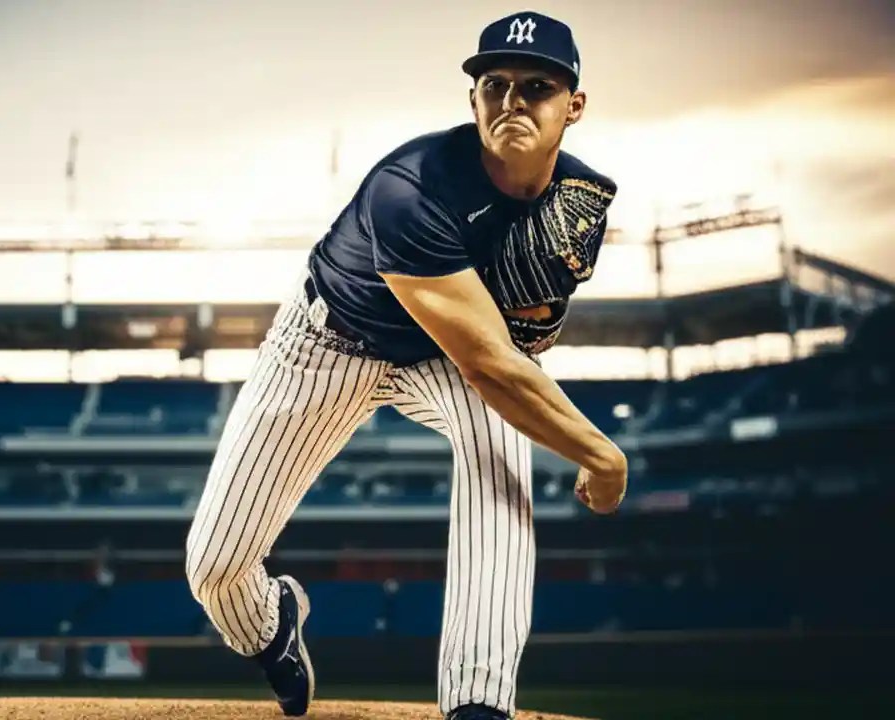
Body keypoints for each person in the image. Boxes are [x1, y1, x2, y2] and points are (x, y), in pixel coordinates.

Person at [184, 10, 628, 720]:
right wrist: (603, 456)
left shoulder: (579, 206)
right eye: (495, 84)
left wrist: (526, 354)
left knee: (499, 452)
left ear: (574, 105)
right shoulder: (410, 186)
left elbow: (518, 345)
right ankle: (270, 627)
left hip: (443, 359)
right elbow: (491, 363)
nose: (512, 101)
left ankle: (478, 702)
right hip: (328, 342)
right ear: (474, 99)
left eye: (537, 86)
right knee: (214, 567)